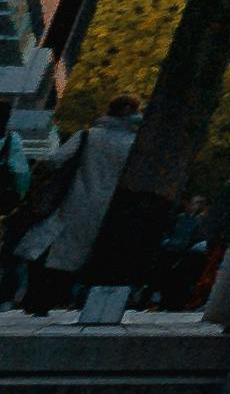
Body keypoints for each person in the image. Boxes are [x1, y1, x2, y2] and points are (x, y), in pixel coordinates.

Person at [11, 102, 138, 315]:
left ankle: (35, 299)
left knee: (47, 249)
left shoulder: (89, 136)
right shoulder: (133, 144)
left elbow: (56, 160)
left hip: (70, 200)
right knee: (78, 257)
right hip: (105, 209)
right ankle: (58, 299)